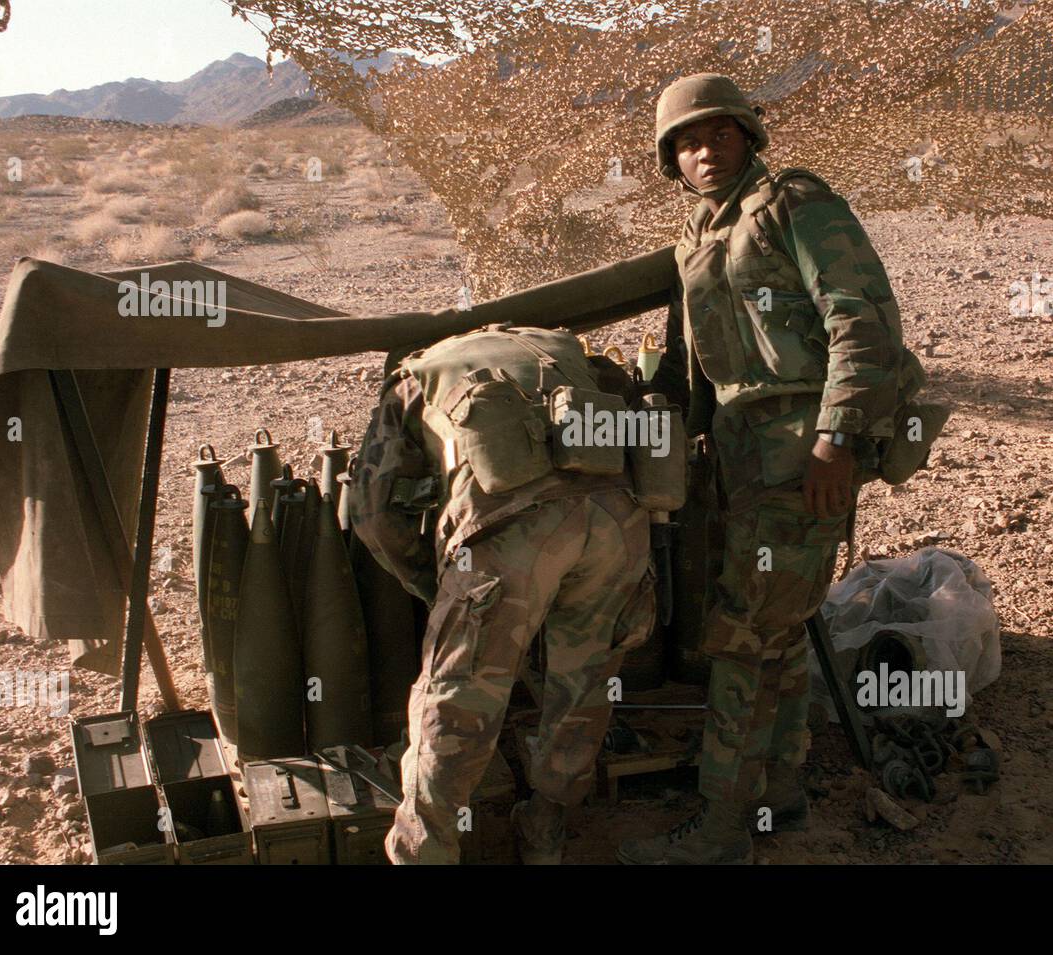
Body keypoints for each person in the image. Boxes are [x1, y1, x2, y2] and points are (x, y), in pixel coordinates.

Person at [619, 73, 911, 864]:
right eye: (685, 141)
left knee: (743, 638)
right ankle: (778, 793)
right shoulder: (700, 232)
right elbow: (699, 360)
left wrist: (838, 439)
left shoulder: (793, 203)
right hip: (744, 454)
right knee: (778, 632)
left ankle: (718, 831)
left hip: (802, 449)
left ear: (749, 136)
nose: (702, 150)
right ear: (670, 160)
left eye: (717, 134)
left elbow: (859, 317)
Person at [351, 323, 656, 865]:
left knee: (457, 697)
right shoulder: (563, 348)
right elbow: (638, 409)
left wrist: (430, 583)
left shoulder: (413, 377)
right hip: (618, 526)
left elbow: (373, 514)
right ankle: (546, 831)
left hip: (510, 534)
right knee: (584, 685)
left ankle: (425, 854)